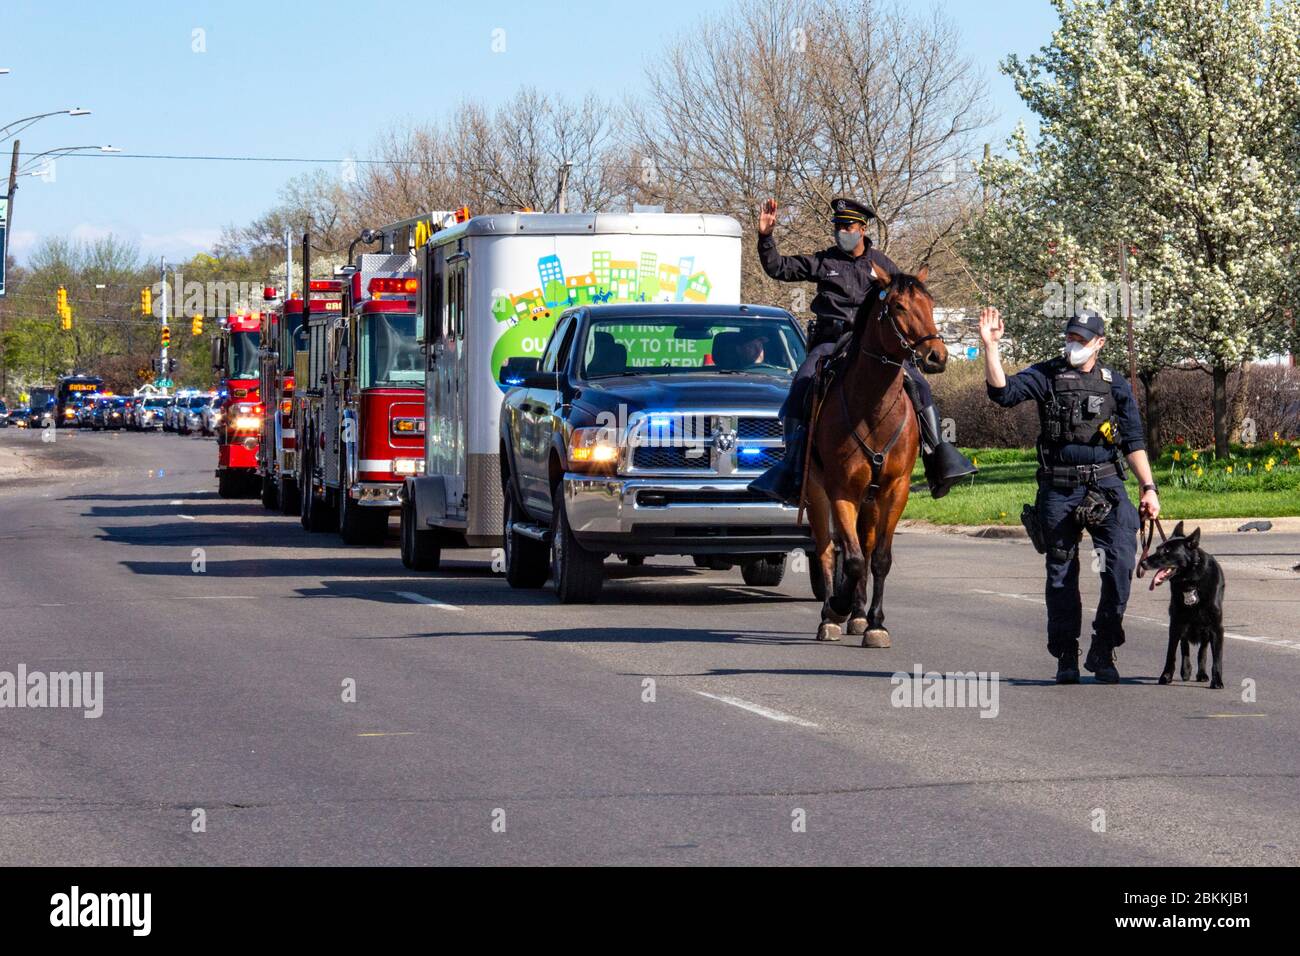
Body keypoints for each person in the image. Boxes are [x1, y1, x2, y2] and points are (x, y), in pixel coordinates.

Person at [747, 196, 976, 504]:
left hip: (874, 345)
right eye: (839, 226)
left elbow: (907, 296)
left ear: (863, 229)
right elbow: (778, 268)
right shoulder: (823, 261)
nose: (843, 231)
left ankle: (938, 458)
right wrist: (766, 237)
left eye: (849, 226)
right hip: (832, 342)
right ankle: (791, 467)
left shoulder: (882, 265)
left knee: (918, 385)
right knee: (801, 385)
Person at [979, 306, 1161, 684]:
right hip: (1059, 487)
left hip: (1106, 485)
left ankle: (1103, 646)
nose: (1072, 344)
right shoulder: (1048, 374)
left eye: (1080, 339)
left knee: (1119, 565)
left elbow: (1133, 440)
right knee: (1061, 573)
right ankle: (1066, 653)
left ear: (1099, 343)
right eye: (1069, 337)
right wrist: (990, 348)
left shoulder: (1114, 383)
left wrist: (1148, 488)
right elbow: (1003, 393)